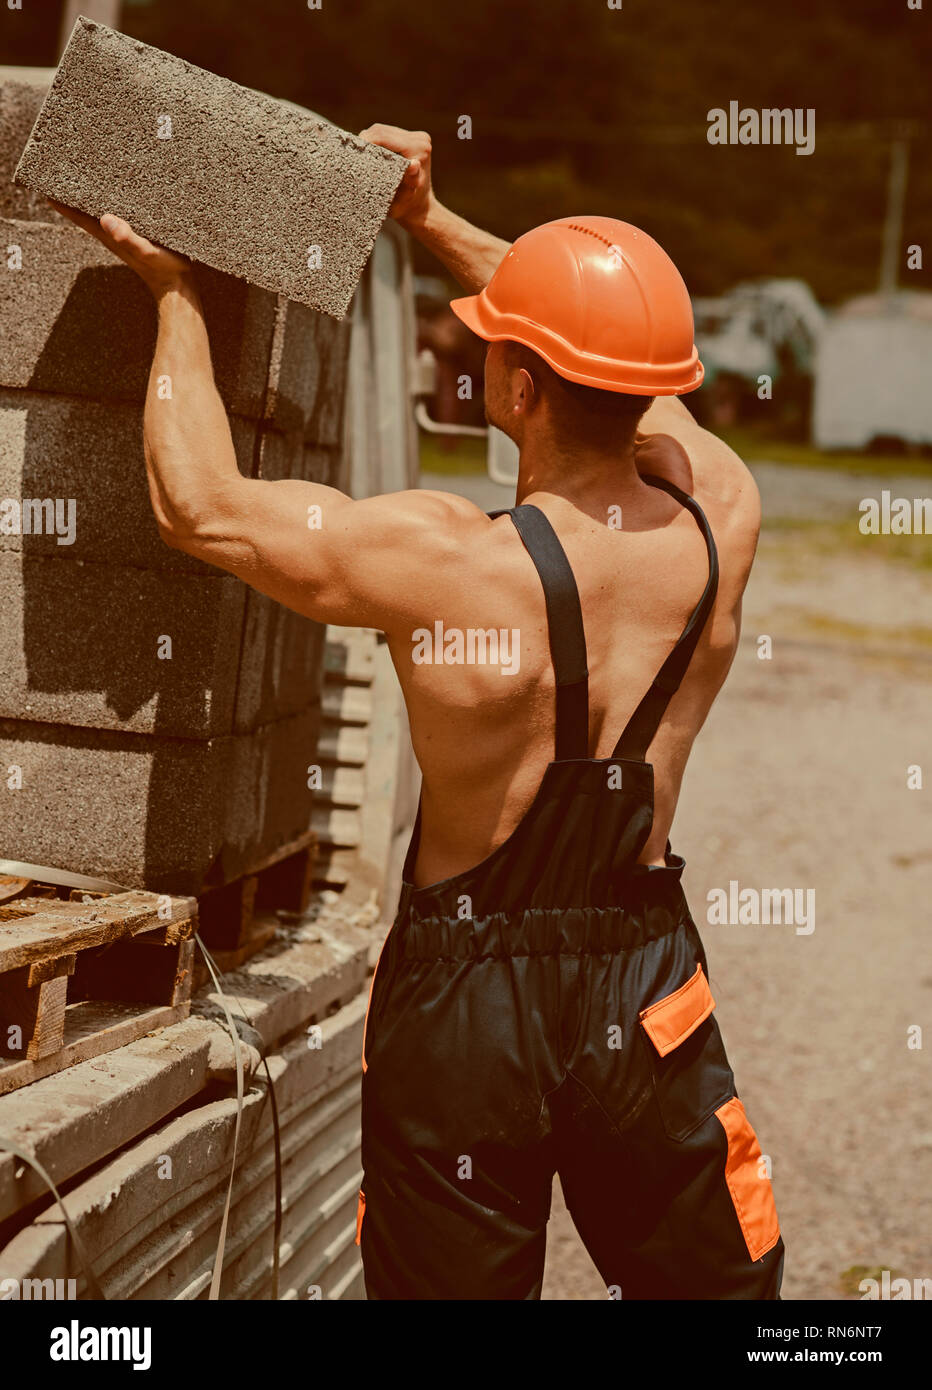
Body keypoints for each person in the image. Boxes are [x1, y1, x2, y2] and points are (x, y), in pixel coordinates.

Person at [54, 122, 783, 1300]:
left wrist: (174, 295)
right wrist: (433, 220)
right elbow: (622, 369)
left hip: (466, 1007)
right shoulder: (719, 522)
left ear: (517, 385)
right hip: (642, 980)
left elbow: (201, 507)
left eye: (495, 347)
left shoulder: (445, 562)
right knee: (722, 1296)